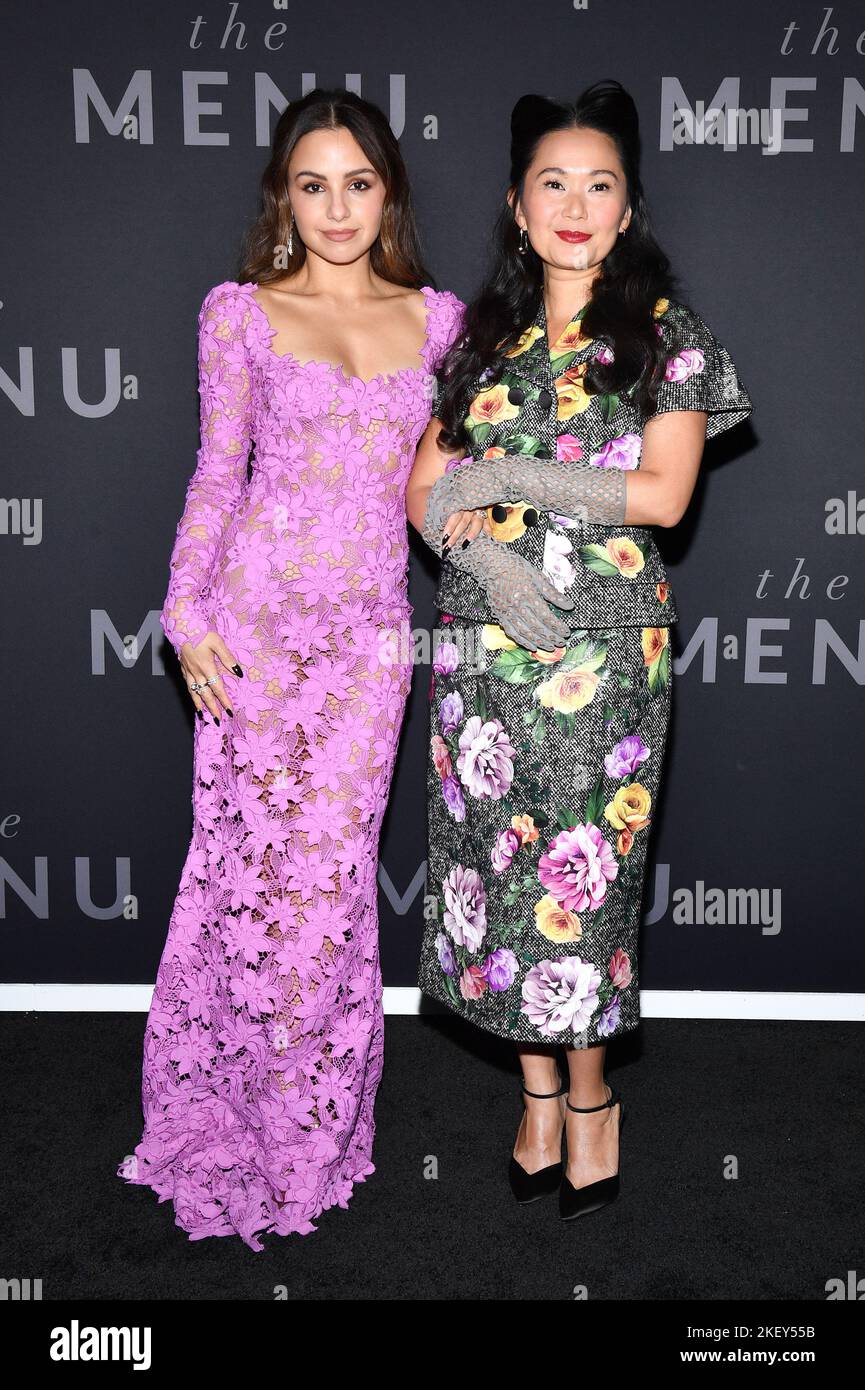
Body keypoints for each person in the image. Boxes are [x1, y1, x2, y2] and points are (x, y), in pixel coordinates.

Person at [117, 87, 464, 1251]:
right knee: (240, 881)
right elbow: (219, 474)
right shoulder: (242, 314)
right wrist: (184, 608)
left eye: (357, 182)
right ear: (285, 193)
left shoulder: (438, 323)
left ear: (388, 191)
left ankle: (308, 1131)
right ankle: (223, 1114)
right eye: (311, 184)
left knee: (322, 895)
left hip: (367, 648)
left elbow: (434, 497)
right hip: (251, 640)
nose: (335, 207)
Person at [406, 82, 752, 1221]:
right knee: (501, 878)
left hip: (600, 664)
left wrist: (507, 478)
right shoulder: (478, 340)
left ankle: (594, 1101)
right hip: (480, 657)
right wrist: (490, 567)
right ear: (516, 204)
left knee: (582, 890)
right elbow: (420, 489)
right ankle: (538, 1092)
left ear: (627, 208)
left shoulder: (666, 336)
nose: (572, 202)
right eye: (550, 181)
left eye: (598, 183)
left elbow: (660, 494)